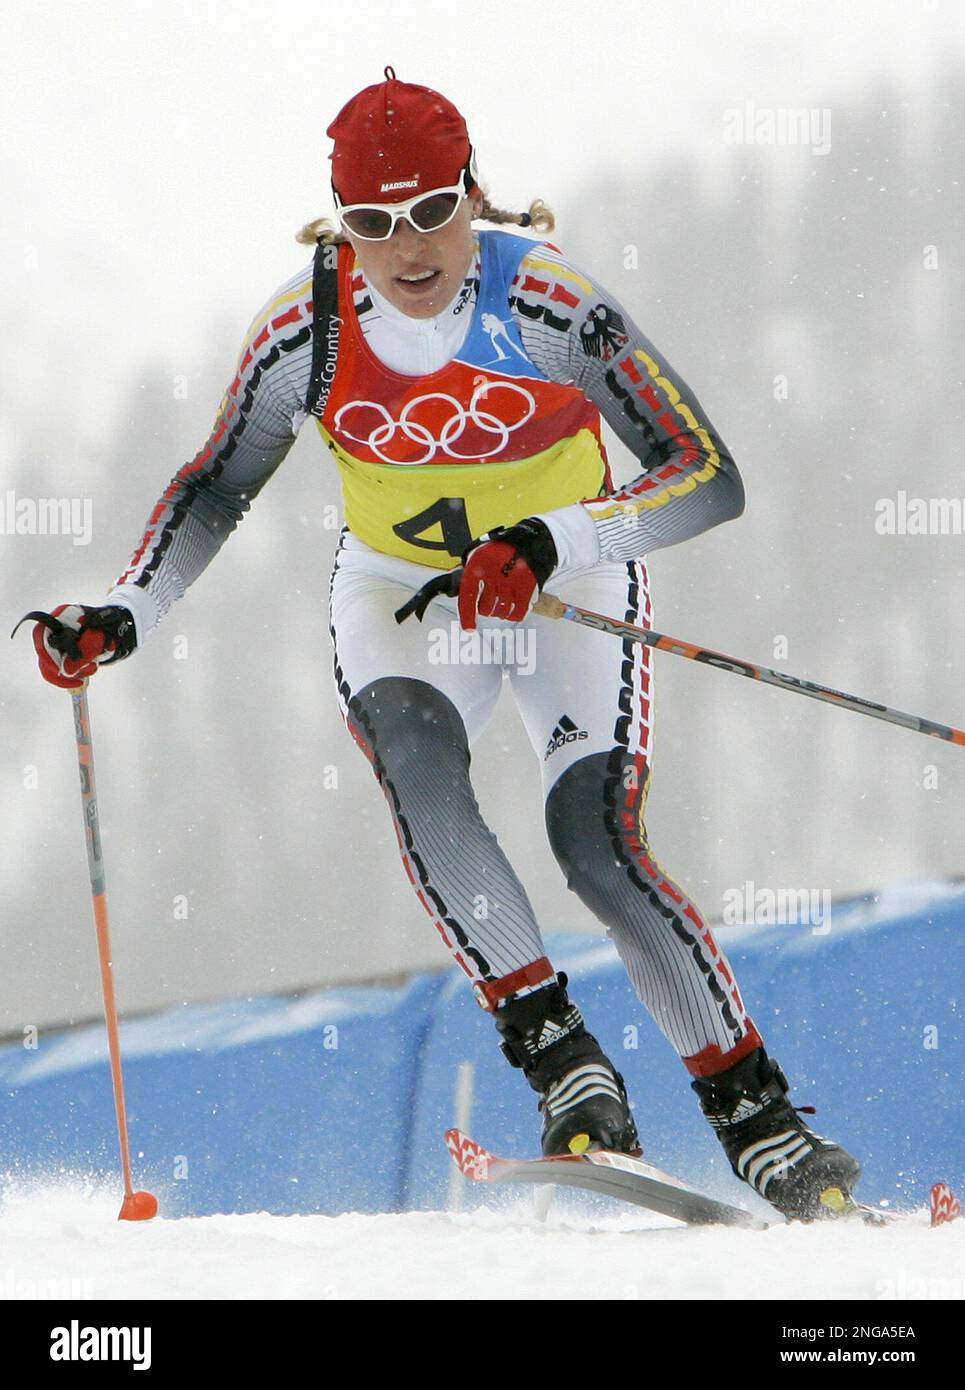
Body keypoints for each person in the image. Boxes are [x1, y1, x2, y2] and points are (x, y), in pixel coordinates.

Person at [30, 67, 861, 1219]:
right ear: (339, 225)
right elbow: (217, 483)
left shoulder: (551, 305)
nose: (408, 247)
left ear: (473, 193)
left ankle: (761, 1126)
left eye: (430, 210)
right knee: (421, 775)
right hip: (400, 595)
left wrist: (555, 539)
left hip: (560, 582)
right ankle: (563, 1065)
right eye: (374, 223)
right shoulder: (304, 332)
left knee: (593, 844)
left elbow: (706, 475)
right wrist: (124, 608)